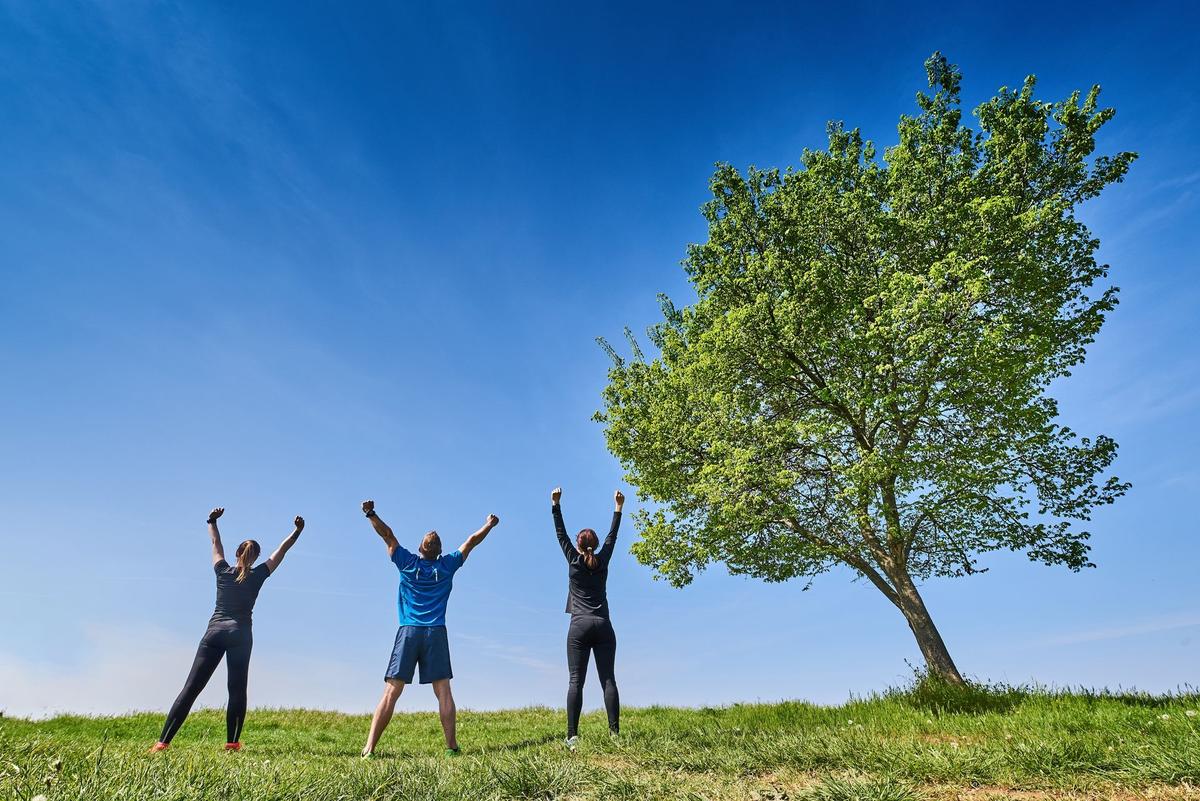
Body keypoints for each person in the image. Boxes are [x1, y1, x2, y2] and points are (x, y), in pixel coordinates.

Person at [151, 507, 304, 752]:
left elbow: (215, 543)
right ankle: (232, 744)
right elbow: (281, 551)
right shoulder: (259, 574)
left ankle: (162, 743)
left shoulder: (222, 570)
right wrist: (297, 531)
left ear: (237, 553)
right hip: (240, 635)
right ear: (256, 557)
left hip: (214, 633)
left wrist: (212, 520)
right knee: (237, 691)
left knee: (191, 689)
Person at [360, 499, 499, 758]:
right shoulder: (447, 565)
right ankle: (451, 748)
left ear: (420, 548)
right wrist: (489, 525)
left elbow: (387, 535)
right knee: (443, 690)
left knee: (391, 691)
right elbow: (471, 541)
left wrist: (370, 513)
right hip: (435, 632)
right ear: (440, 551)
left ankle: (369, 749)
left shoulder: (407, 562)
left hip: (409, 631)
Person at [551, 487, 623, 748]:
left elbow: (560, 534)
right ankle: (614, 735)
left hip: (579, 627)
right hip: (603, 625)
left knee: (575, 682)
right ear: (595, 544)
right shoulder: (603, 560)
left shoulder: (573, 560)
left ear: (578, 545)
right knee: (608, 679)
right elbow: (612, 537)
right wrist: (618, 508)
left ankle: (572, 737)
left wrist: (556, 505)